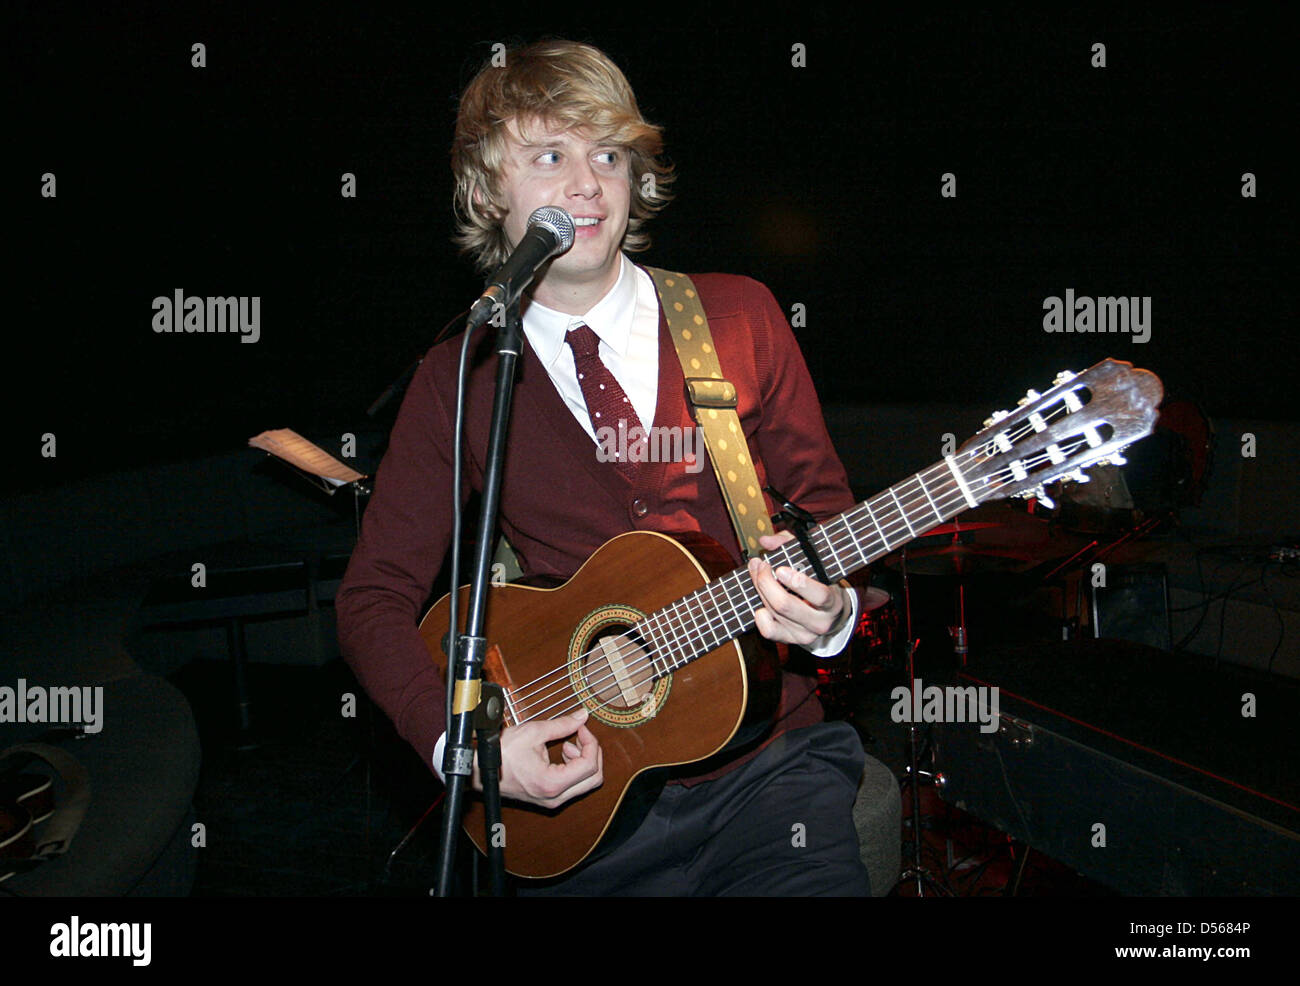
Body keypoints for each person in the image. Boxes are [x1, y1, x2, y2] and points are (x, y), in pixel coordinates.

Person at [337, 39, 872, 895]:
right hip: (578, 812)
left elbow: (830, 518)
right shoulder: (460, 374)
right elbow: (372, 597)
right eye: (551, 156)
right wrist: (463, 747)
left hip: (771, 774)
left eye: (609, 155)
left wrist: (832, 614)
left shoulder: (736, 315)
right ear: (487, 192)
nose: (588, 183)